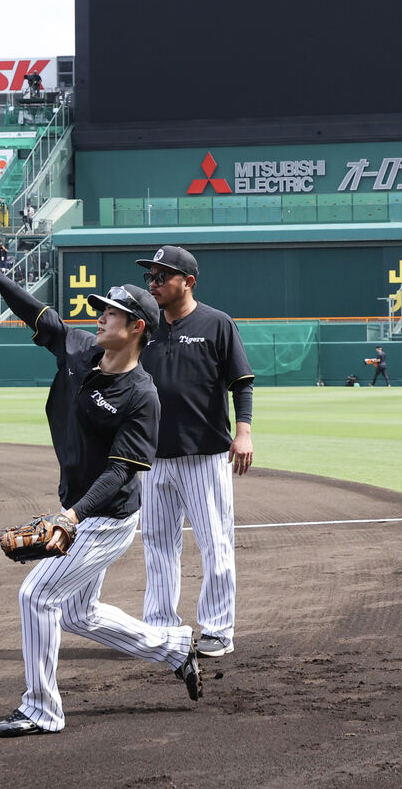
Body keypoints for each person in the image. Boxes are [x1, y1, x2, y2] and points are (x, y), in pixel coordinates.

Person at [0, 255, 201, 736]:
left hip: (104, 519)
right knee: (79, 613)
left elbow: (121, 471)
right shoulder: (82, 350)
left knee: (36, 595)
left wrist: (72, 515)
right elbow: (39, 315)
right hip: (80, 509)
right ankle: (173, 647)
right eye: (100, 310)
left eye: (110, 313)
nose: (99, 317)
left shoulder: (141, 396)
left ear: (135, 328)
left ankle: (41, 709)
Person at [136, 245, 254, 660]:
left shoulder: (216, 323)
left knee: (215, 542)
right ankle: (159, 626)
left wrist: (243, 432)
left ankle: (218, 629)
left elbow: (241, 382)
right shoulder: (145, 327)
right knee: (157, 542)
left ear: (188, 281)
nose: (153, 284)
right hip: (152, 457)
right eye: (151, 277)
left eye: (161, 277)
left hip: (203, 454)